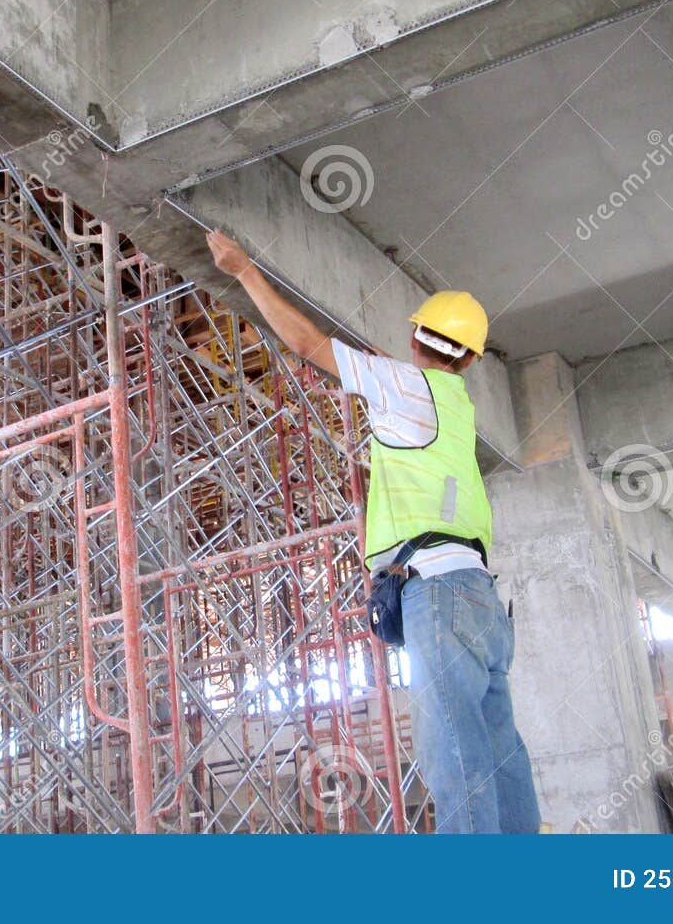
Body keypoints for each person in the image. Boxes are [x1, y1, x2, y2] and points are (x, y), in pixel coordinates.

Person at [206, 229, 540, 834]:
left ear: (415, 338)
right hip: (481, 600)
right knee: (500, 751)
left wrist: (244, 271)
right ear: (470, 358)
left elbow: (309, 344)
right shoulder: (459, 407)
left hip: (438, 595)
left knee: (453, 756)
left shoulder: (407, 386)